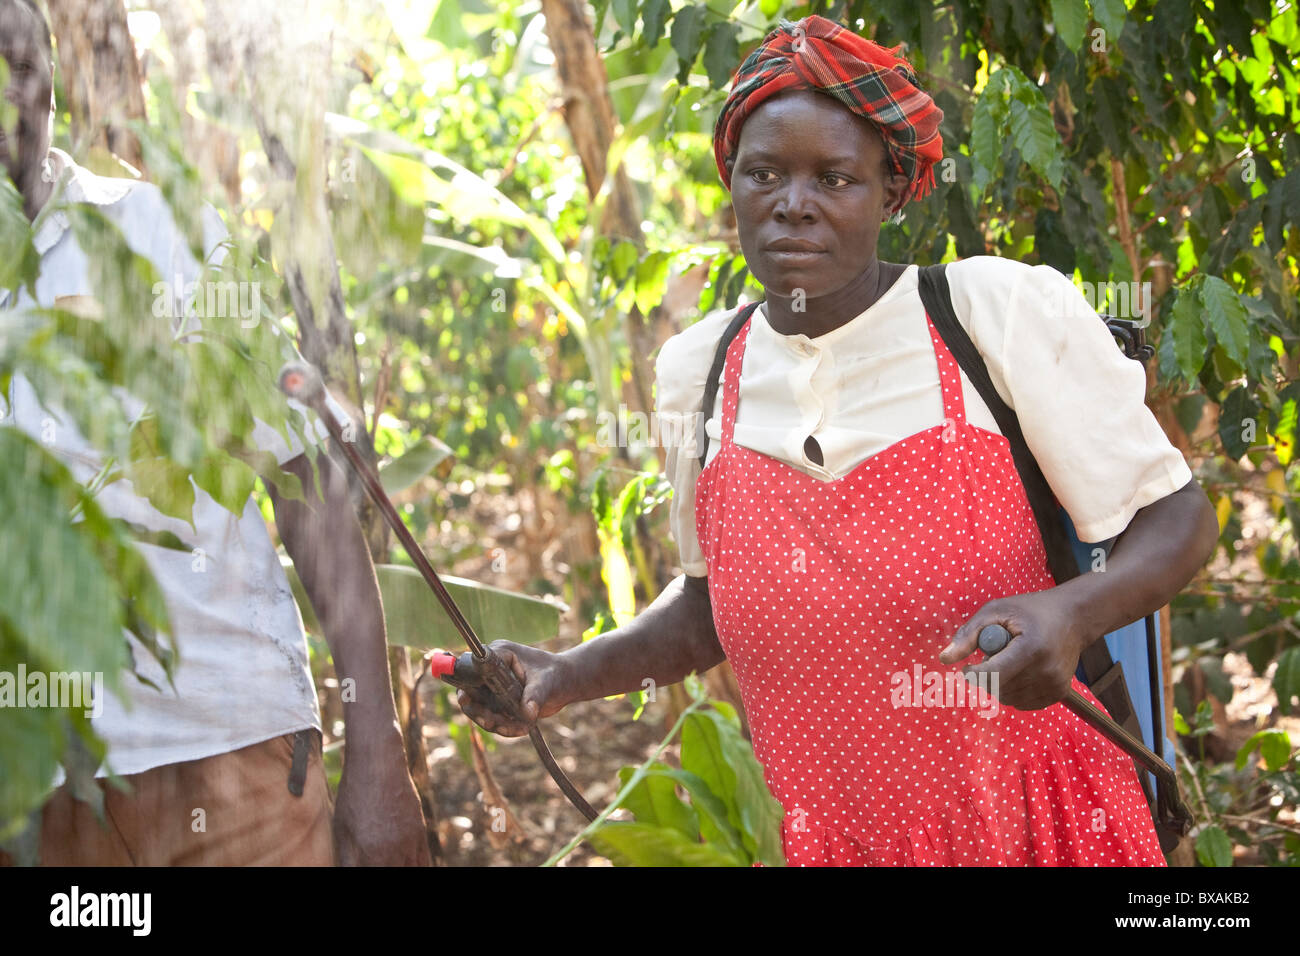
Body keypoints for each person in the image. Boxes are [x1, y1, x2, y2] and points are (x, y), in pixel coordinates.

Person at [458, 16, 1220, 866]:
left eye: (835, 178)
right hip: (833, 842)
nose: (794, 204)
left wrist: (1071, 614)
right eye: (765, 174)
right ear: (734, 184)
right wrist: (566, 675)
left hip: (1037, 824)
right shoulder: (700, 372)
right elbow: (709, 609)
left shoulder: (988, 315)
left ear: (891, 193)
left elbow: (1179, 518)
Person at [0, 0, 428, 865]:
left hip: (229, 750)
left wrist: (377, 749)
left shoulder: (165, 235)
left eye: (17, 69)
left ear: (50, 80)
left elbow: (304, 483)